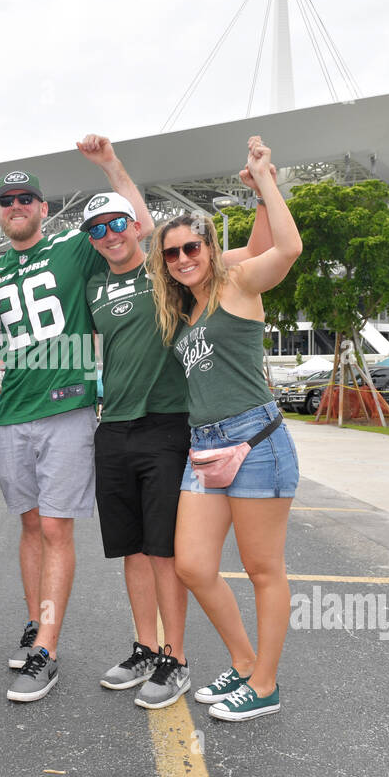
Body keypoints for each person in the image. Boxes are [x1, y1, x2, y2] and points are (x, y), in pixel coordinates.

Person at [87, 138, 281, 710]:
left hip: (173, 424)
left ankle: (177, 658)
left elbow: (261, 251)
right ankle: (147, 648)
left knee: (169, 550)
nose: (110, 235)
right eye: (97, 230)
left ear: (135, 226)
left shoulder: (175, 274)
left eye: (119, 224)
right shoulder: (102, 286)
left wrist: (110, 165)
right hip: (114, 426)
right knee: (133, 548)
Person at [0, 134, 153, 703]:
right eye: (6, 200)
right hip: (11, 414)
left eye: (25, 199)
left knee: (57, 528)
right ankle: (37, 624)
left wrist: (110, 164)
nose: (16, 207)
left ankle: (47, 652)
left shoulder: (73, 248)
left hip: (66, 407)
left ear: (42, 207)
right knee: (30, 526)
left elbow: (139, 224)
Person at [150, 138, 304, 722]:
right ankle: (244, 663)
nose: (184, 257)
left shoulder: (237, 284)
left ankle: (265, 685)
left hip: (255, 440)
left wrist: (266, 179)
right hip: (204, 445)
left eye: (192, 246)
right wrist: (257, 200)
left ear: (211, 249)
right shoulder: (185, 307)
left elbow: (285, 248)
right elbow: (263, 237)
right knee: (192, 565)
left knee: (265, 569)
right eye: (172, 253)